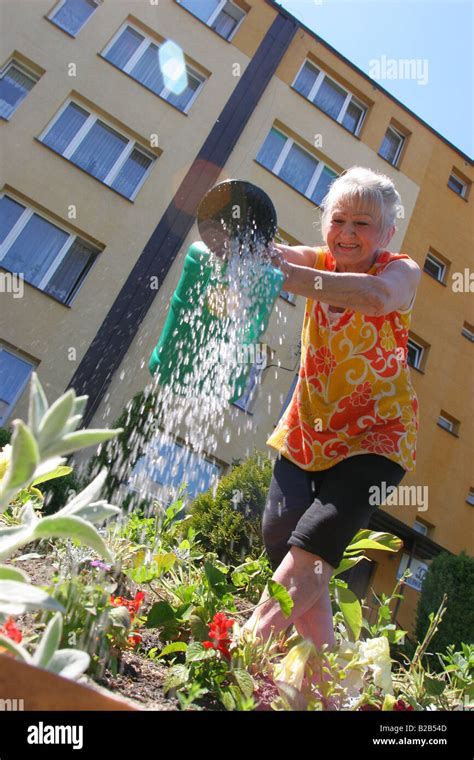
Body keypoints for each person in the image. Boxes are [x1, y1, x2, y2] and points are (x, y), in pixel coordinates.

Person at [243, 166, 421, 653]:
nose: (346, 234)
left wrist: (290, 275)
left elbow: (376, 297)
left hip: (378, 438)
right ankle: (325, 684)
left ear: (386, 232)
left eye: (361, 224)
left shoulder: (398, 271)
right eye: (338, 220)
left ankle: (241, 650)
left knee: (315, 541)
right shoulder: (316, 258)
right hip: (308, 430)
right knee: (282, 533)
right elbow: (274, 254)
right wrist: (239, 245)